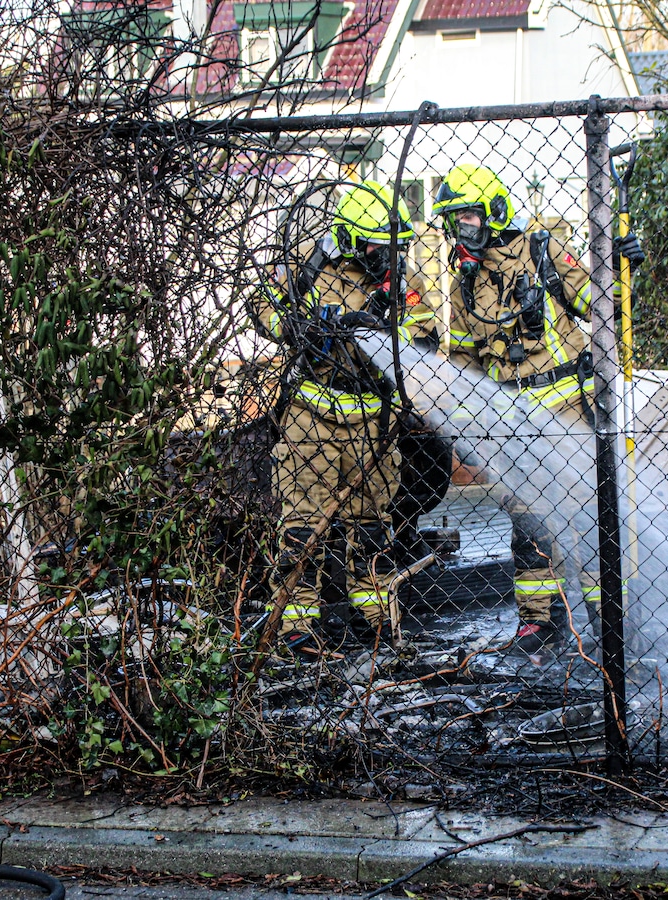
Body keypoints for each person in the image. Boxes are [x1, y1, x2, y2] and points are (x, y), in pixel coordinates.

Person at [432, 163, 644, 653]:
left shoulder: (541, 251)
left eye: (465, 217)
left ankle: (612, 622)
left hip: (567, 412)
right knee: (529, 528)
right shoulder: (465, 281)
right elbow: (464, 361)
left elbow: (600, 301)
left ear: (494, 212)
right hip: (511, 429)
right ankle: (538, 627)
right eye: (452, 220)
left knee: (590, 519)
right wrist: (471, 425)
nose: (457, 229)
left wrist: (623, 265)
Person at [254, 181, 436, 656]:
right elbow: (264, 306)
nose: (389, 255)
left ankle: (379, 627)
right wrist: (297, 327)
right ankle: (296, 630)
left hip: (374, 423)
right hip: (310, 417)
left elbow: (427, 332)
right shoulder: (309, 264)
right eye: (379, 245)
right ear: (352, 237)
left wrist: (386, 325)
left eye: (396, 245)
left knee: (374, 529)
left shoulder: (399, 279)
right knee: (301, 530)